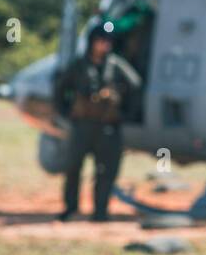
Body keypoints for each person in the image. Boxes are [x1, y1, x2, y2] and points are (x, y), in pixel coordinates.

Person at [54, 21, 141, 222]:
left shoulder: (117, 66)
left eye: (108, 41)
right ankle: (70, 208)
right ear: (92, 42)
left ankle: (100, 211)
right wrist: (65, 112)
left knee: (106, 171)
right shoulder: (78, 65)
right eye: (101, 40)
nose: (105, 45)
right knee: (73, 168)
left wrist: (126, 113)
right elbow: (60, 88)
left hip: (108, 126)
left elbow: (135, 86)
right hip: (82, 125)